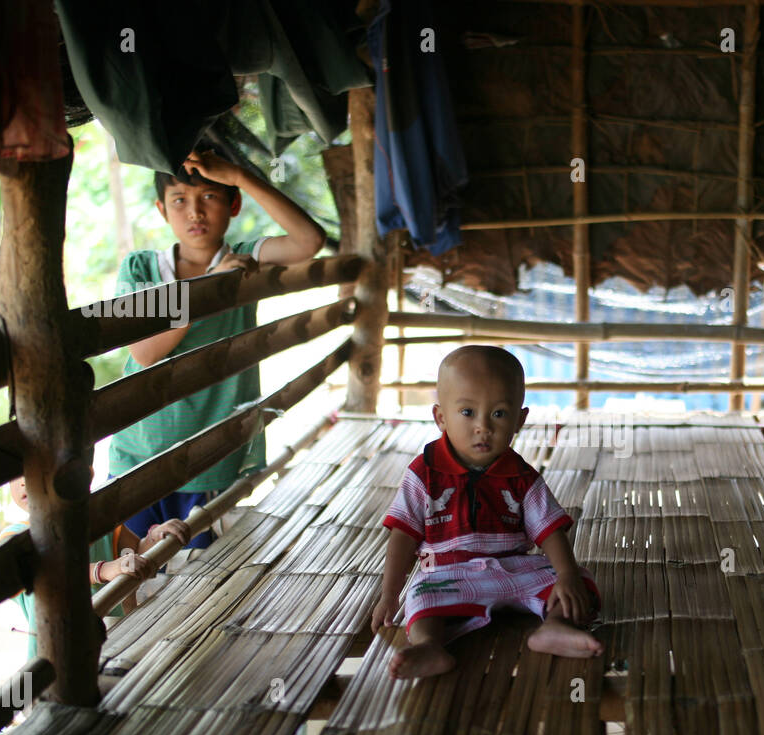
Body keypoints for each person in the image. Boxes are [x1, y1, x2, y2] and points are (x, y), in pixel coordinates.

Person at [107, 148, 325, 550]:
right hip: (137, 455)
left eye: (209, 197)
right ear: (161, 209)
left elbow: (309, 241)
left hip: (211, 457)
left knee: (202, 580)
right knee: (131, 578)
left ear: (233, 204)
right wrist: (209, 288)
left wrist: (241, 176)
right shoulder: (140, 268)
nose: (194, 212)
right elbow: (144, 352)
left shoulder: (243, 258)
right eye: (180, 200)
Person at [372, 346, 602, 680]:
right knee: (420, 598)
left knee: (581, 581)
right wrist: (389, 595)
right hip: (447, 576)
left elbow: (551, 530)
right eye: (467, 412)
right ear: (440, 417)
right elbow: (403, 536)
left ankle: (553, 627)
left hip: (515, 570)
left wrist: (565, 576)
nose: (483, 427)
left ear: (519, 420)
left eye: (498, 414)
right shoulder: (423, 473)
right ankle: (430, 646)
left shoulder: (521, 476)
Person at [0, 473, 189, 658]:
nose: (24, 482)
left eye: (40, 471)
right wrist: (103, 570)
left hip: (114, 646)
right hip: (58, 656)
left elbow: (134, 555)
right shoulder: (17, 538)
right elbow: (50, 572)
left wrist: (154, 538)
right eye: (16, 473)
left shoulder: (99, 521)